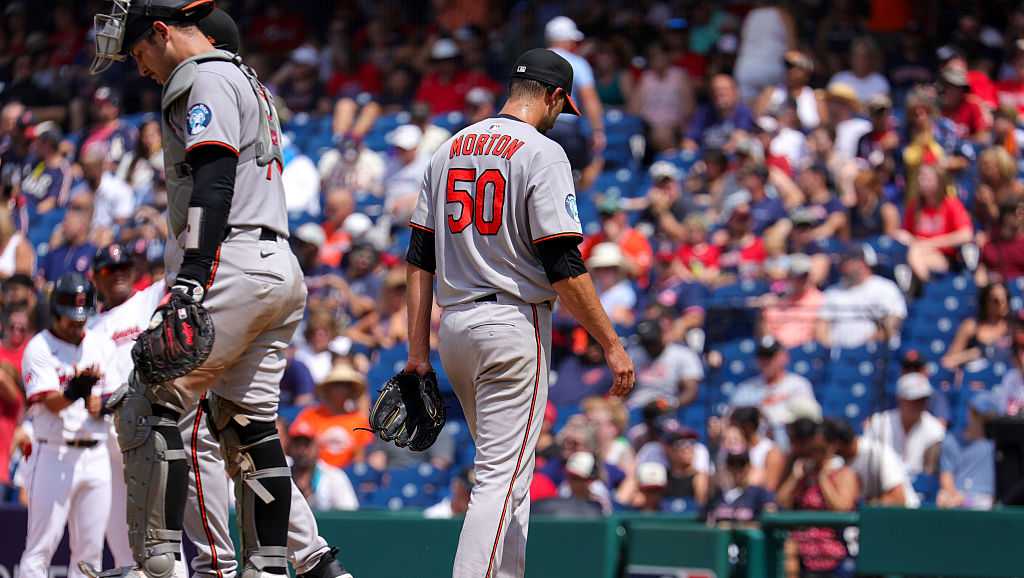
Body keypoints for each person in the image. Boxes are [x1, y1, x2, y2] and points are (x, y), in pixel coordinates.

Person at [87, 1, 352, 576]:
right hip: (276, 264)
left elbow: (214, 177)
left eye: (138, 52)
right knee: (247, 426)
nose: (140, 68)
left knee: (152, 395)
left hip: (228, 257)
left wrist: (189, 280)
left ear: (161, 31)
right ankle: (271, 567)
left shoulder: (202, 75)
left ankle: (156, 565)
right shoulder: (245, 78)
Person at [405, 48, 635, 578]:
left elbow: (419, 259)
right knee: (500, 479)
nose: (560, 115)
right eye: (563, 106)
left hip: (455, 328)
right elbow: (563, 262)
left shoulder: (448, 149)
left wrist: (418, 350)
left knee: (511, 476)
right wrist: (611, 342)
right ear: (554, 96)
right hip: (512, 324)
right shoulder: (543, 151)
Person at [17, 273, 120, 578]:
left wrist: (98, 401)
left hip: (96, 455)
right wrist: (76, 390)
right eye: (70, 318)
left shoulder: (101, 344)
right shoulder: (39, 348)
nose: (77, 324)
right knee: (40, 549)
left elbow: (109, 399)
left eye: (82, 317)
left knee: (90, 554)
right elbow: (51, 403)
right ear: (55, 312)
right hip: (53, 455)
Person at [775, 417, 858, 577]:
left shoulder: (844, 473)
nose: (816, 455)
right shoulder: (803, 473)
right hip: (801, 546)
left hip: (832, 548)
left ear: (832, 447)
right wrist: (795, 478)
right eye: (812, 450)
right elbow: (781, 501)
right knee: (787, 553)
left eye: (821, 450)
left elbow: (842, 508)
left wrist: (823, 478)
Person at [544, 17, 606, 174]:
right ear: (565, 40)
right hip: (566, 129)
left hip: (537, 127)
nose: (575, 45)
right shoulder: (577, 63)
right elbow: (589, 99)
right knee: (572, 176)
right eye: (573, 40)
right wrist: (598, 131)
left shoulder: (533, 61)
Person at [896, 164, 973, 284]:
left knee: (915, 253)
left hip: (944, 256)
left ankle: (929, 290)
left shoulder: (951, 204)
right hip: (918, 250)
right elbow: (908, 233)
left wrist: (929, 243)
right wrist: (904, 236)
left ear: (939, 181)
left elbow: (966, 235)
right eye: (920, 177)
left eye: (926, 178)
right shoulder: (915, 206)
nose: (921, 181)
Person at [816, 246, 906, 348]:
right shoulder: (832, 292)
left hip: (875, 352)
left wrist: (865, 346)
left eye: (846, 261)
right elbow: (821, 326)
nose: (841, 266)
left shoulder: (885, 288)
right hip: (838, 356)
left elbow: (894, 321)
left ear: (862, 263)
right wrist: (829, 349)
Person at [729, 336, 816, 440]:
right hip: (756, 446)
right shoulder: (745, 389)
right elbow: (732, 421)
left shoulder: (798, 385)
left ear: (784, 357)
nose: (766, 361)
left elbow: (809, 420)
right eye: (762, 357)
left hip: (790, 444)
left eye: (770, 356)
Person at [290, 363, 373, 469]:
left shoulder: (360, 421)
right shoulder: (310, 415)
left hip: (346, 476)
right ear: (328, 388)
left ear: (351, 390)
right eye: (337, 384)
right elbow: (297, 446)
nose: (341, 389)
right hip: (314, 472)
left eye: (346, 385)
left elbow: (360, 457)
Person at [864, 373, 946, 477]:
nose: (918, 404)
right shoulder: (879, 423)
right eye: (913, 400)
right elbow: (867, 461)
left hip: (919, 488)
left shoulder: (936, 429)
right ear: (900, 398)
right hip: (883, 484)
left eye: (923, 400)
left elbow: (931, 472)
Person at [824, 418, 919, 507]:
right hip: (876, 517)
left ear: (836, 444)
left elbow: (898, 498)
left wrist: (866, 506)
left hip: (907, 515)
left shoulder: (877, 453)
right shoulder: (836, 462)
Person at [938, 392, 999, 510]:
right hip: (956, 499)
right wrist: (955, 497)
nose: (979, 419)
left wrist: (966, 501)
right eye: (975, 413)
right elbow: (946, 477)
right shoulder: (951, 441)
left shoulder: (998, 444)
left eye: (984, 416)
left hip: (986, 501)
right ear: (969, 412)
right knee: (942, 498)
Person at [627, 319, 703, 409]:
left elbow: (691, 390)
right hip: (637, 406)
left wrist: (673, 405)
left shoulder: (682, 354)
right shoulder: (634, 354)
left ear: (662, 336)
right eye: (646, 343)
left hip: (667, 405)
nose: (649, 346)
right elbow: (625, 389)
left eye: (652, 342)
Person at [287, 420, 359, 512]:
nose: (302, 451)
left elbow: (349, 514)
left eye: (306, 444)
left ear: (317, 446)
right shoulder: (281, 474)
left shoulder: (334, 477)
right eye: (297, 444)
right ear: (289, 446)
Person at [759, 254, 824, 349]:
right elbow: (767, 334)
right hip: (778, 352)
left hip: (805, 351)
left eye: (804, 276)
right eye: (797, 276)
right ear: (788, 277)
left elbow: (821, 337)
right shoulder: (776, 300)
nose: (801, 280)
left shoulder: (819, 299)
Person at [942, 282, 1011, 370]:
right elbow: (948, 361)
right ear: (985, 301)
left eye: (1006, 298)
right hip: (976, 379)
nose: (1002, 303)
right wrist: (975, 353)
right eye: (996, 300)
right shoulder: (971, 326)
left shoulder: (1014, 327)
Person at [705, 450, 777, 526]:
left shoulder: (759, 494)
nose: (737, 468)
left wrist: (735, 527)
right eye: (732, 463)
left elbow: (770, 521)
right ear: (727, 467)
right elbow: (706, 523)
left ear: (749, 466)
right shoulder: (718, 495)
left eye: (741, 464)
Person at [726, 406, 786, 491]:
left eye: (735, 426)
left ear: (747, 426)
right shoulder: (730, 449)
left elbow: (770, 488)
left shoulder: (770, 451)